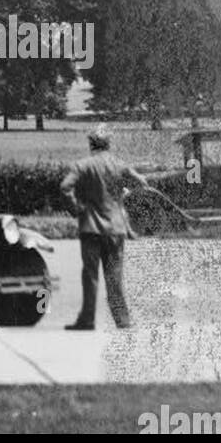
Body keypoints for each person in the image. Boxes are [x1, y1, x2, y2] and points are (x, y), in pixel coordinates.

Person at [60, 124, 149, 330]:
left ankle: (87, 319)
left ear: (91, 144)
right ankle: (122, 320)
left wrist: (77, 209)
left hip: (91, 227)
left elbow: (65, 187)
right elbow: (142, 183)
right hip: (116, 228)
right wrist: (123, 196)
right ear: (108, 144)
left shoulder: (82, 166)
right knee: (114, 276)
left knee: (90, 276)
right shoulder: (119, 165)